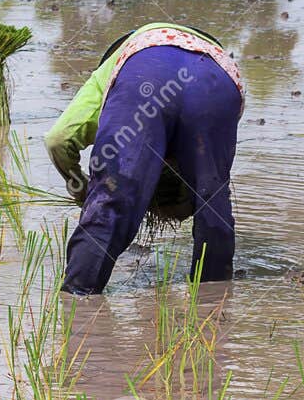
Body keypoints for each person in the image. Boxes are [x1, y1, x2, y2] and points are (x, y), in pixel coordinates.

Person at [45, 22, 244, 294]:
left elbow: (57, 140)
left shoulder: (116, 66)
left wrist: (79, 184)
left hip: (144, 77)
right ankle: (214, 308)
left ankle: (77, 304)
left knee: (110, 204)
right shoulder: (217, 58)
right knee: (213, 204)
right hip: (218, 81)